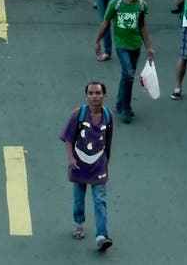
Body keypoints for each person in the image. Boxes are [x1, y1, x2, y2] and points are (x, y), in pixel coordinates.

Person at [59, 81, 114, 252]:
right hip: (79, 164)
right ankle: (78, 223)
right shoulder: (78, 114)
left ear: (104, 95)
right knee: (78, 198)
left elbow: (108, 141)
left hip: (99, 166)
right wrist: (70, 158)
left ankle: (101, 237)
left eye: (98, 93)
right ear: (87, 96)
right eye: (91, 93)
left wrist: (106, 163)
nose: (94, 96)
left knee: (100, 201)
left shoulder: (108, 115)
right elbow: (68, 139)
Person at [95, 0, 155, 123]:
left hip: (135, 45)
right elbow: (106, 22)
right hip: (121, 45)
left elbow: (142, 27)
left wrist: (149, 46)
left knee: (127, 76)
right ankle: (127, 108)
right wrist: (97, 41)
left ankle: (119, 103)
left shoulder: (142, 6)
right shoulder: (116, 3)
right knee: (128, 74)